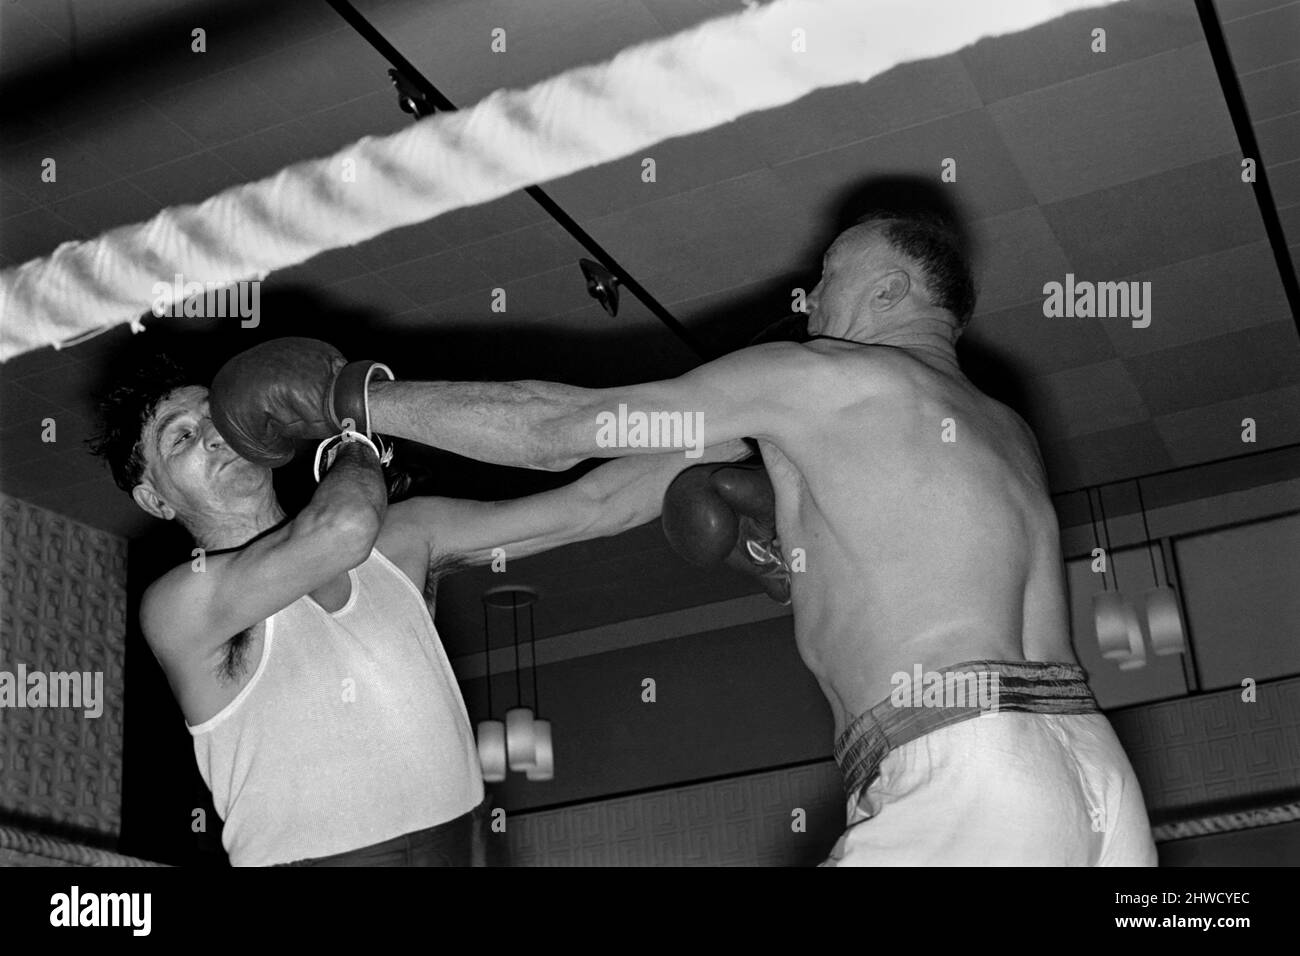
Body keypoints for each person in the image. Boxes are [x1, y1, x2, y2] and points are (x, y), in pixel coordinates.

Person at [235, 209, 1155, 866]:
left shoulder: (821, 381)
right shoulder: (1000, 426)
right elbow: (601, 504)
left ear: (889, 289)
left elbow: (563, 426)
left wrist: (350, 399)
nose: (808, 292)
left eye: (829, 272)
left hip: (968, 767)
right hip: (1091, 774)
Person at [88, 346, 749, 866]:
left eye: (218, 416)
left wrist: (750, 434)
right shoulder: (182, 601)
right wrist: (353, 430)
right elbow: (340, 531)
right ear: (155, 499)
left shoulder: (403, 536)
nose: (211, 437)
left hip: (464, 847)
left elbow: (592, 507)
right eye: (179, 439)